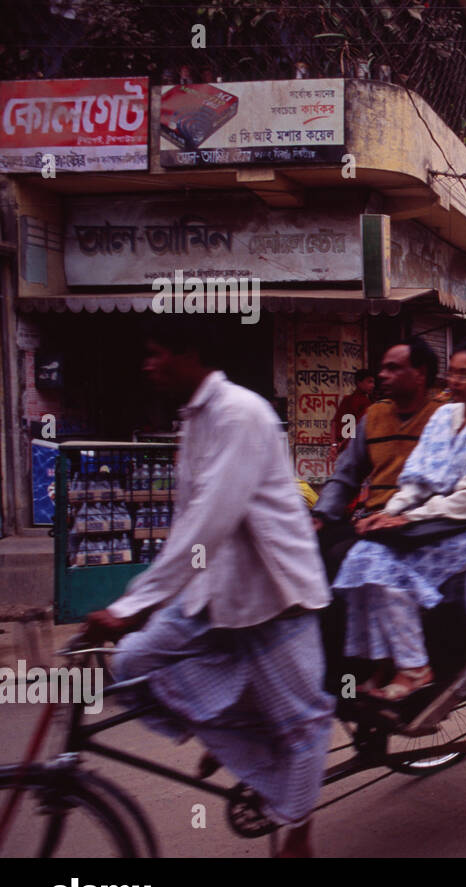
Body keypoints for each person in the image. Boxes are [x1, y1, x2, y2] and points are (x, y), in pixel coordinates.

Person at [82, 317, 334, 858]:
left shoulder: (241, 413)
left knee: (305, 725)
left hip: (272, 597)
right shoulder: (194, 418)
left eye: (156, 354)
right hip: (210, 596)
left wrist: (131, 604)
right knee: (131, 665)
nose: (147, 366)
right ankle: (244, 747)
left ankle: (298, 832)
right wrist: (151, 603)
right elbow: (190, 522)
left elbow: (209, 521)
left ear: (189, 352)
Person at [332, 341, 466, 701]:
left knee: (385, 566)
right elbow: (416, 479)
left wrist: (410, 517)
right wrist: (389, 513)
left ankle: (416, 667)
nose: (456, 381)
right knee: (362, 555)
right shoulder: (444, 417)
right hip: (430, 522)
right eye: (453, 372)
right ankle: (383, 660)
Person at [312, 339, 445, 579]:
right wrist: (320, 515)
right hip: (374, 520)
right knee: (312, 546)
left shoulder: (444, 416)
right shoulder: (373, 415)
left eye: (393, 368)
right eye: (383, 368)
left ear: (420, 374)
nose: (382, 375)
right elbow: (347, 474)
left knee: (339, 556)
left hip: (420, 523)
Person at [328, 368, 376, 463]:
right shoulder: (365, 404)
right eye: (369, 382)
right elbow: (359, 428)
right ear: (359, 383)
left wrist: (333, 445)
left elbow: (334, 423)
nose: (373, 385)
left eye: (373, 382)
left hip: (344, 449)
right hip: (356, 450)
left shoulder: (347, 400)